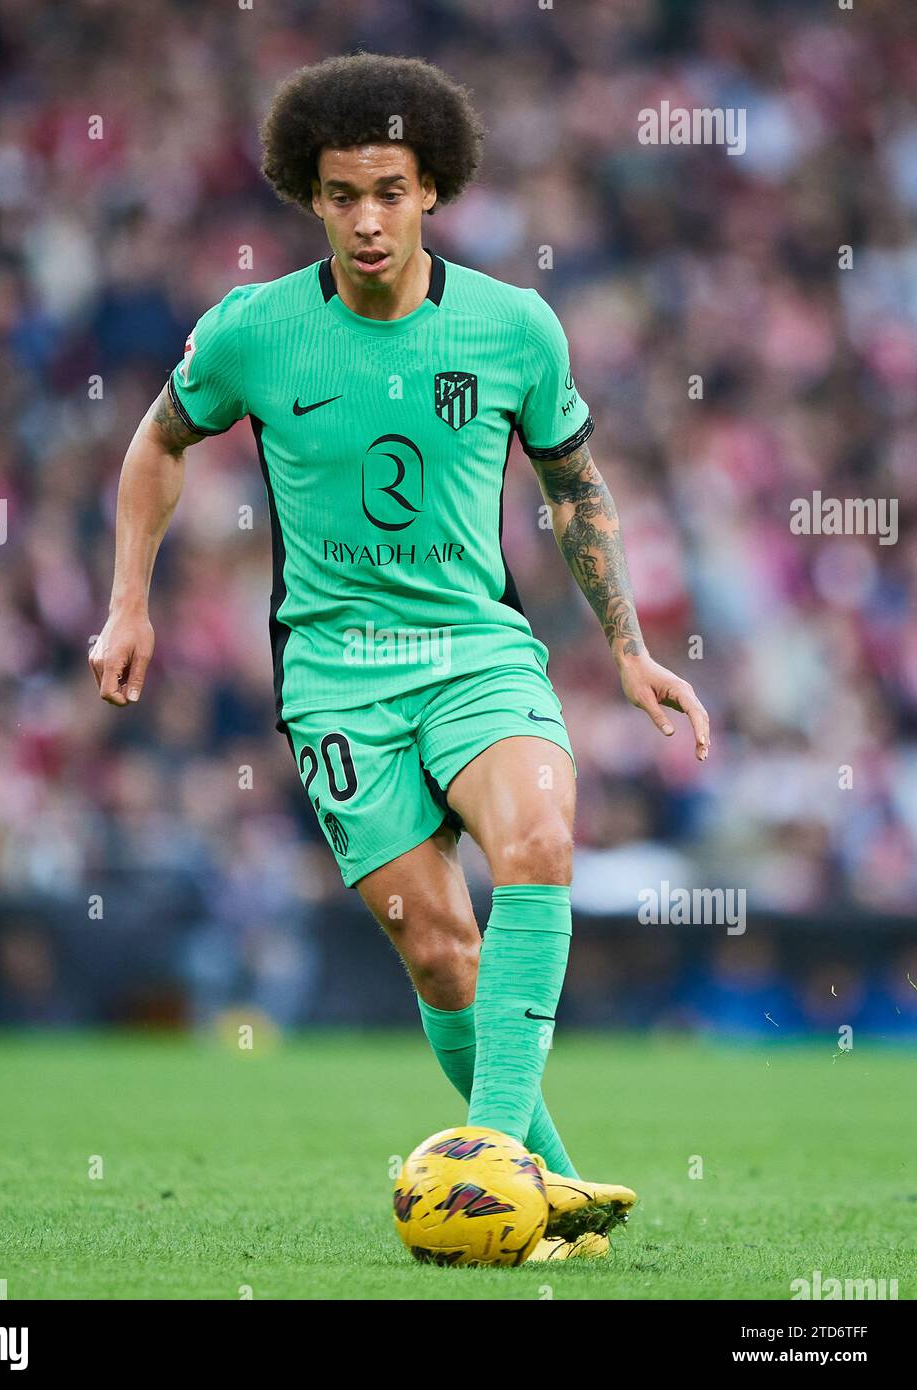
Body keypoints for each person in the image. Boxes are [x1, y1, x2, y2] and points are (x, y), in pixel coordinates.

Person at [89, 53, 710, 1259]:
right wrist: (129, 604)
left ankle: (483, 1168)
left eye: (388, 189)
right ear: (307, 196)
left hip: (476, 650)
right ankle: (555, 1187)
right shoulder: (251, 332)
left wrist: (628, 650)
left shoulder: (512, 326)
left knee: (536, 838)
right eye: (339, 194)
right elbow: (157, 445)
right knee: (439, 954)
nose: (365, 219)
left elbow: (574, 486)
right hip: (331, 673)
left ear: (432, 189)